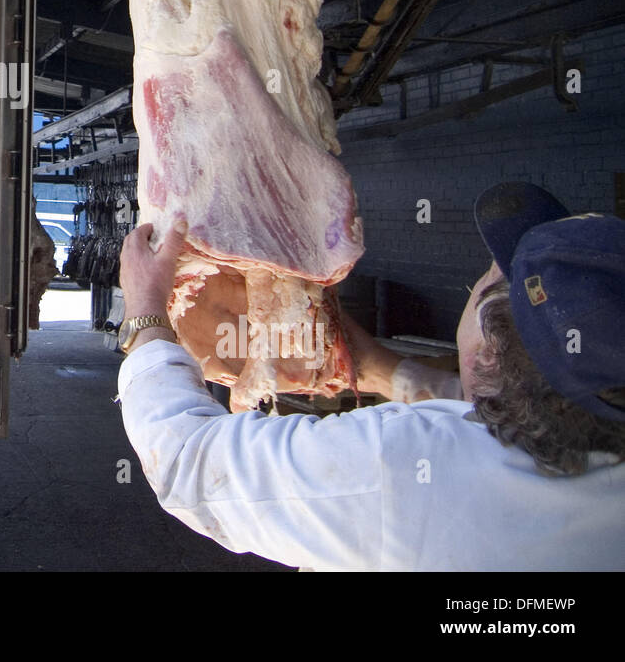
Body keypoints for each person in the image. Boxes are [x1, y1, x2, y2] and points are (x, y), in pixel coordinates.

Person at [116, 181, 625, 570]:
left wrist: (143, 306)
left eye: (485, 279)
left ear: (488, 351)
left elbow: (185, 460)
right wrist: (383, 370)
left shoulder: (407, 470)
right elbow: (485, 405)